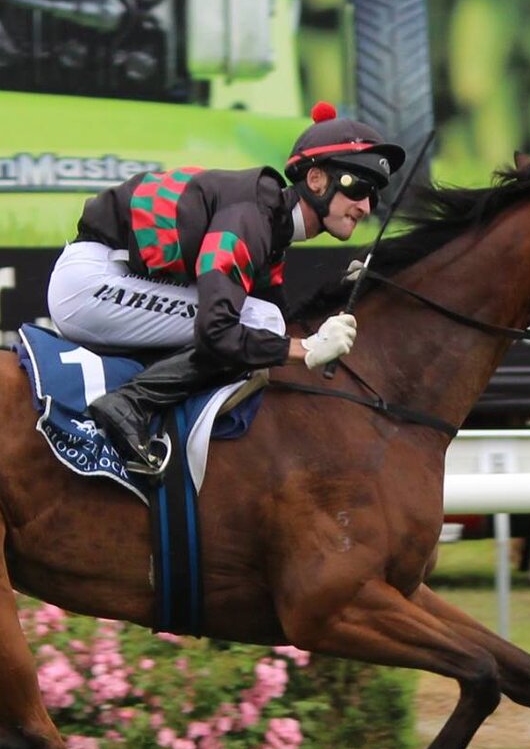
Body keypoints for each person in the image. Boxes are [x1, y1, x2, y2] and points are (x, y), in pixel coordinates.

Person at [46, 101, 404, 475]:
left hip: (108, 279)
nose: (365, 206)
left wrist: (342, 292)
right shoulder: (251, 217)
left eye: (374, 195)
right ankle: (130, 403)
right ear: (316, 179)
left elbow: (280, 317)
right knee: (260, 322)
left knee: (267, 320)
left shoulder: (271, 222)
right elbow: (217, 330)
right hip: (91, 284)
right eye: (357, 186)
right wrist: (306, 349)